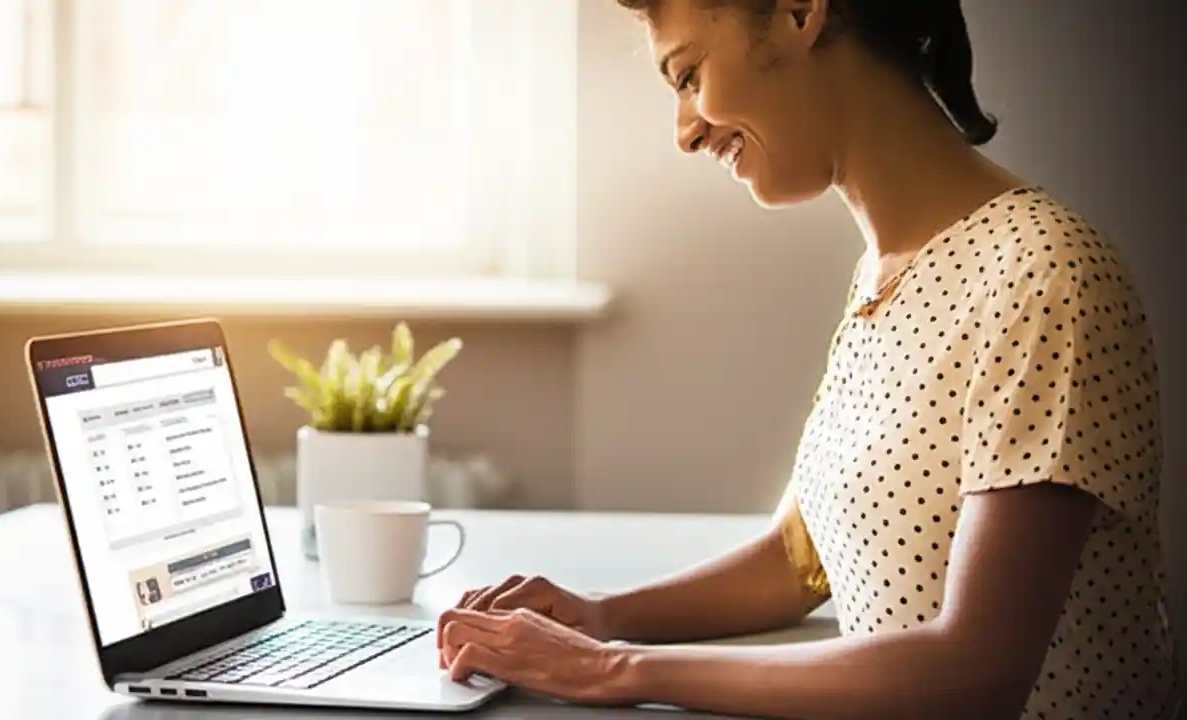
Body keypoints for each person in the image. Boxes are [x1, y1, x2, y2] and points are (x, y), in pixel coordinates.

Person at [436, 1, 1182, 717]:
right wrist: (598, 618)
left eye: (690, 74)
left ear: (800, 13)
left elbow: (976, 673)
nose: (685, 133)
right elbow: (801, 560)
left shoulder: (1045, 272)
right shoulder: (886, 276)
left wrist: (610, 669)